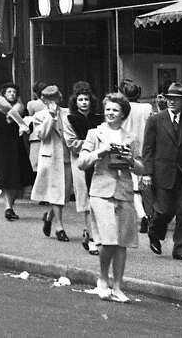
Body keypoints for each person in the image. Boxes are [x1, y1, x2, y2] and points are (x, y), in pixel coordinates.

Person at [78, 92, 146, 302]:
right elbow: (82, 162)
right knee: (108, 240)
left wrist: (131, 161)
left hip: (124, 191)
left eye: (115, 110)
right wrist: (101, 151)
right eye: (108, 109)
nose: (110, 113)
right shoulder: (94, 133)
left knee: (122, 242)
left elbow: (142, 168)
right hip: (101, 191)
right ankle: (102, 279)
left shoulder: (131, 138)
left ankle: (117, 287)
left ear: (123, 114)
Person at [141, 81, 182, 260]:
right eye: (169, 98)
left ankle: (181, 249)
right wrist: (146, 173)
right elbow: (148, 149)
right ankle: (154, 231)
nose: (172, 102)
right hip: (162, 173)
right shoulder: (155, 120)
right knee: (164, 210)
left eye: (176, 99)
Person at [0, 81, 33, 222]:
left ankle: (10, 207)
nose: (12, 94)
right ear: (3, 94)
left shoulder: (21, 110)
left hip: (18, 147)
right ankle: (8, 208)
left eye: (14, 92)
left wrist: (27, 128)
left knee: (17, 180)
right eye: (9, 92)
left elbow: (28, 127)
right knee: (6, 178)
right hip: (2, 147)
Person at [31, 85, 72, 241]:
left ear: (59, 98)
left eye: (55, 98)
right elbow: (42, 134)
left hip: (66, 157)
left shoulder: (68, 112)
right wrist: (51, 116)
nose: (52, 102)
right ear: (44, 100)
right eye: (48, 99)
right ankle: (59, 227)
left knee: (63, 195)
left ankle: (48, 217)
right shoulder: (39, 116)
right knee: (56, 193)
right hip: (50, 157)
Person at [64, 86, 102, 253]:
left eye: (86, 99)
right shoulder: (70, 119)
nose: (84, 103)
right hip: (80, 163)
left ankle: (90, 232)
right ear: (75, 102)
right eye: (80, 99)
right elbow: (71, 143)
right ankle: (93, 238)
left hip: (98, 162)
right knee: (86, 200)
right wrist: (91, 145)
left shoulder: (98, 118)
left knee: (97, 199)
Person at [119, 78, 153, 233]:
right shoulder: (147, 107)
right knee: (145, 185)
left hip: (126, 149)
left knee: (133, 187)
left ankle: (143, 215)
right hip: (145, 150)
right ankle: (149, 214)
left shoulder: (122, 108)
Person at [25, 80, 46, 172]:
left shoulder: (32, 104)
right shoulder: (51, 103)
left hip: (35, 135)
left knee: (34, 163)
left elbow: (28, 120)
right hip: (48, 135)